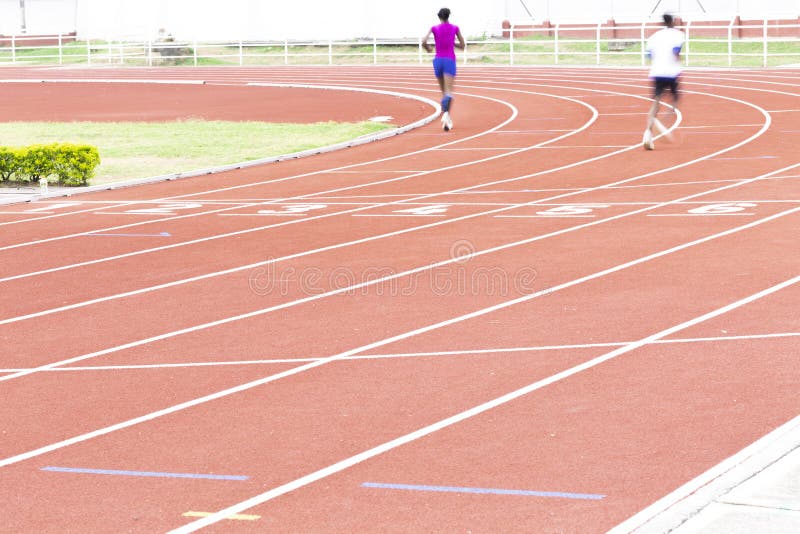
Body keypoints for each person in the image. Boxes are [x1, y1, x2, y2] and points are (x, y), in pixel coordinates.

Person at [643, 13, 685, 150]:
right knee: (675, 100)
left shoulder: (654, 37)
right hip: (671, 72)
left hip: (656, 72)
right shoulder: (678, 35)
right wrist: (679, 63)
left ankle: (648, 131)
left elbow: (649, 55)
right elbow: (675, 52)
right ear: (672, 21)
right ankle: (662, 124)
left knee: (656, 101)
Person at [421, 7, 465, 131]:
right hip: (449, 60)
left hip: (438, 60)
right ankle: (446, 116)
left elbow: (424, 41)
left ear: (439, 17)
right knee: (449, 92)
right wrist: (453, 43)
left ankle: (447, 117)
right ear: (448, 16)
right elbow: (463, 46)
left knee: (443, 93)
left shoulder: (434, 28)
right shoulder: (455, 28)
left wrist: (429, 49)